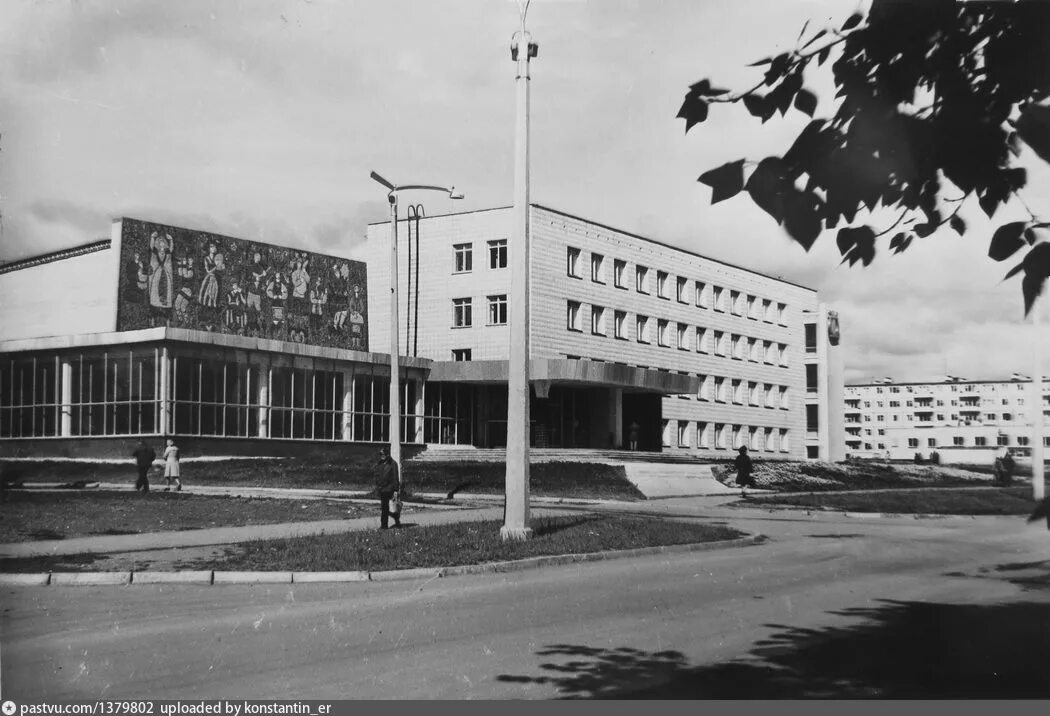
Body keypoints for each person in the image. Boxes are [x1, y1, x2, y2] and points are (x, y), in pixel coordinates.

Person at [374, 447, 401, 529]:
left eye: (383, 454)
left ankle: (384, 525)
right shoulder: (380, 463)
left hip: (389, 488)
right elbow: (377, 475)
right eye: (381, 454)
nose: (382, 456)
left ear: (388, 454)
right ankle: (395, 516)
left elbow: (395, 478)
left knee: (385, 507)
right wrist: (377, 484)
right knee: (384, 507)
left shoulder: (393, 464)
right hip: (381, 488)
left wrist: (396, 490)